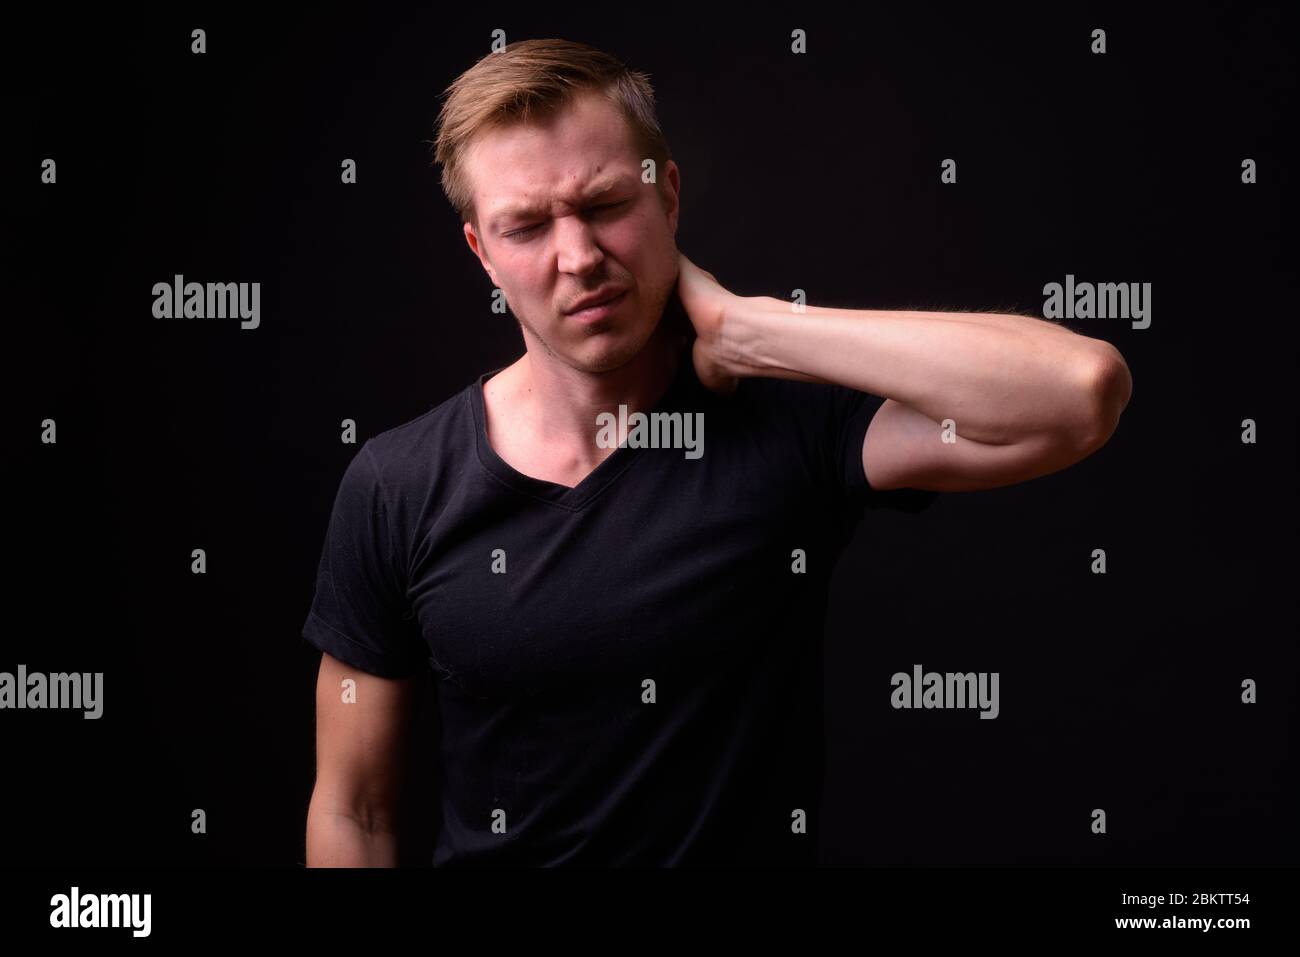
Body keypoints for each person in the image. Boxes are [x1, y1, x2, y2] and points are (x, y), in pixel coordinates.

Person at [302, 38, 1132, 867]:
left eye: (604, 204)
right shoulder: (397, 484)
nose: (580, 257)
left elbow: (1079, 390)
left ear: (667, 197)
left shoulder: (788, 421)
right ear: (482, 251)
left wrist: (749, 328)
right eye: (526, 226)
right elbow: (354, 809)